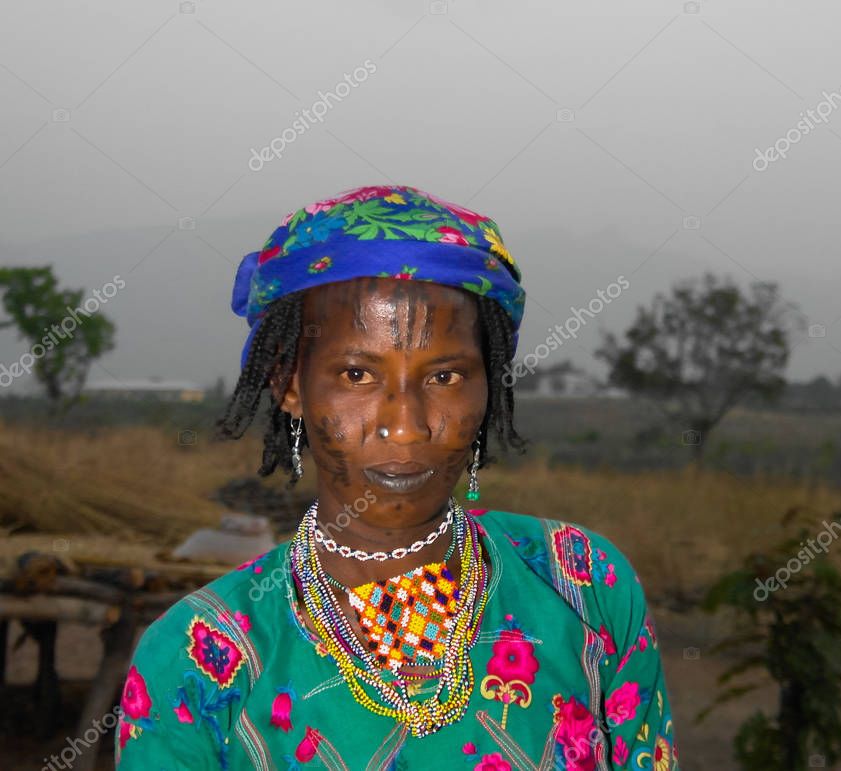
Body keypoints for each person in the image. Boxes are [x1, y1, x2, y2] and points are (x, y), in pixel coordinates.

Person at [114, 185, 679, 770]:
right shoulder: (197, 656)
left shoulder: (582, 582)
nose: (405, 427)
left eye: (446, 377)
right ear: (289, 384)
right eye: (357, 374)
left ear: (490, 385)